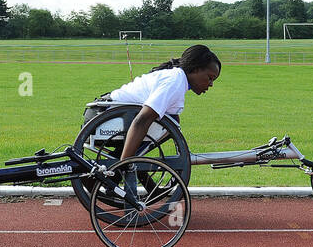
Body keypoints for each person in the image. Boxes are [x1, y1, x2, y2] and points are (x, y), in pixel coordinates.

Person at [88, 44, 220, 205]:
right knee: (167, 124)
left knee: (171, 122)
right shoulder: (175, 82)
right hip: (107, 116)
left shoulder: (177, 79)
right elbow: (142, 120)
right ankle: (113, 178)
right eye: (210, 77)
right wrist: (125, 164)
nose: (211, 84)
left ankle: (149, 187)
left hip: (107, 114)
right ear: (195, 69)